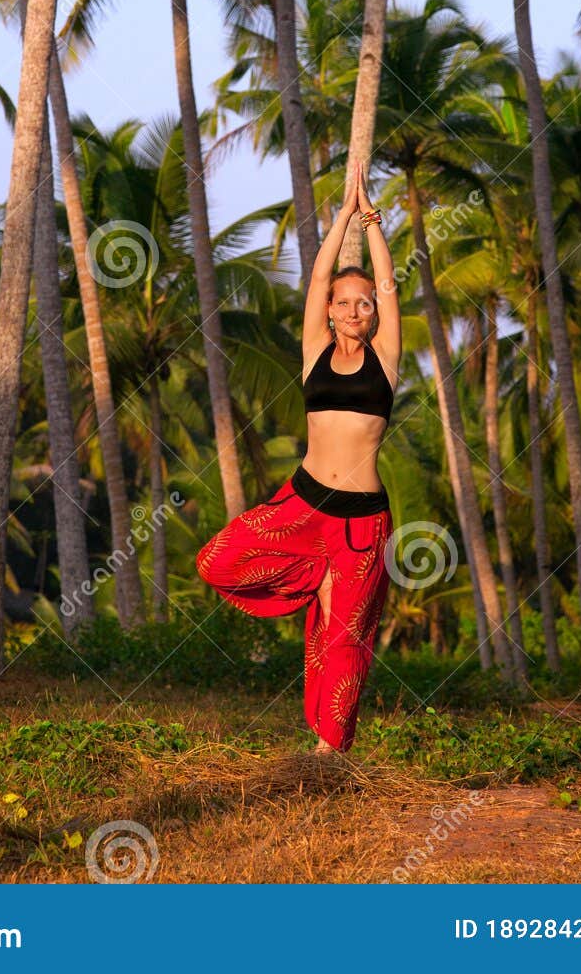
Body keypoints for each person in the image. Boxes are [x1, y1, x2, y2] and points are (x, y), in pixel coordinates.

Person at [196, 161, 401, 753]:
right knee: (218, 559)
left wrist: (374, 225)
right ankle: (311, 578)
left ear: (373, 314)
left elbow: (388, 284)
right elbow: (315, 282)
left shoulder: (385, 360)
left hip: (361, 520)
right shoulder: (313, 352)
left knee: (346, 637)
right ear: (332, 310)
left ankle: (328, 753)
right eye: (345, 303)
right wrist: (343, 219)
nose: (355, 310)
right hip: (302, 505)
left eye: (364, 304)